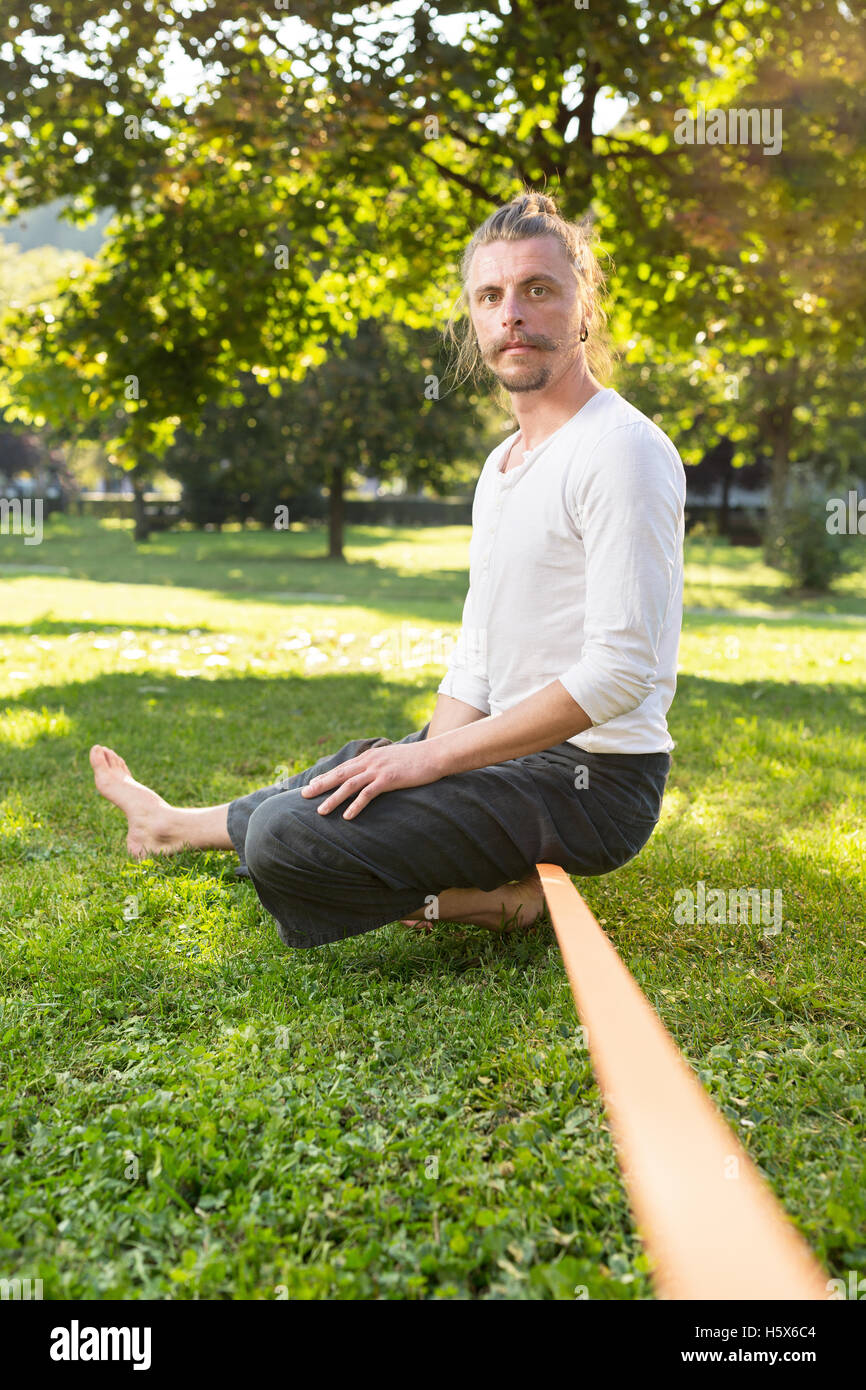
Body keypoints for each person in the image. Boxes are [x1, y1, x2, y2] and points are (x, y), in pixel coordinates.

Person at [91, 190, 686, 949]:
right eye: (491, 295)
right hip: (511, 750)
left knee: (290, 836)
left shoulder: (621, 450)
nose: (514, 314)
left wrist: (435, 760)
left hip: (592, 785)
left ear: (582, 310)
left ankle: (503, 901)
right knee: (354, 771)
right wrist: (421, 761)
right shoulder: (502, 465)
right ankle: (173, 826)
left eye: (539, 290)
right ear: (474, 320)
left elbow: (621, 673)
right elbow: (480, 650)